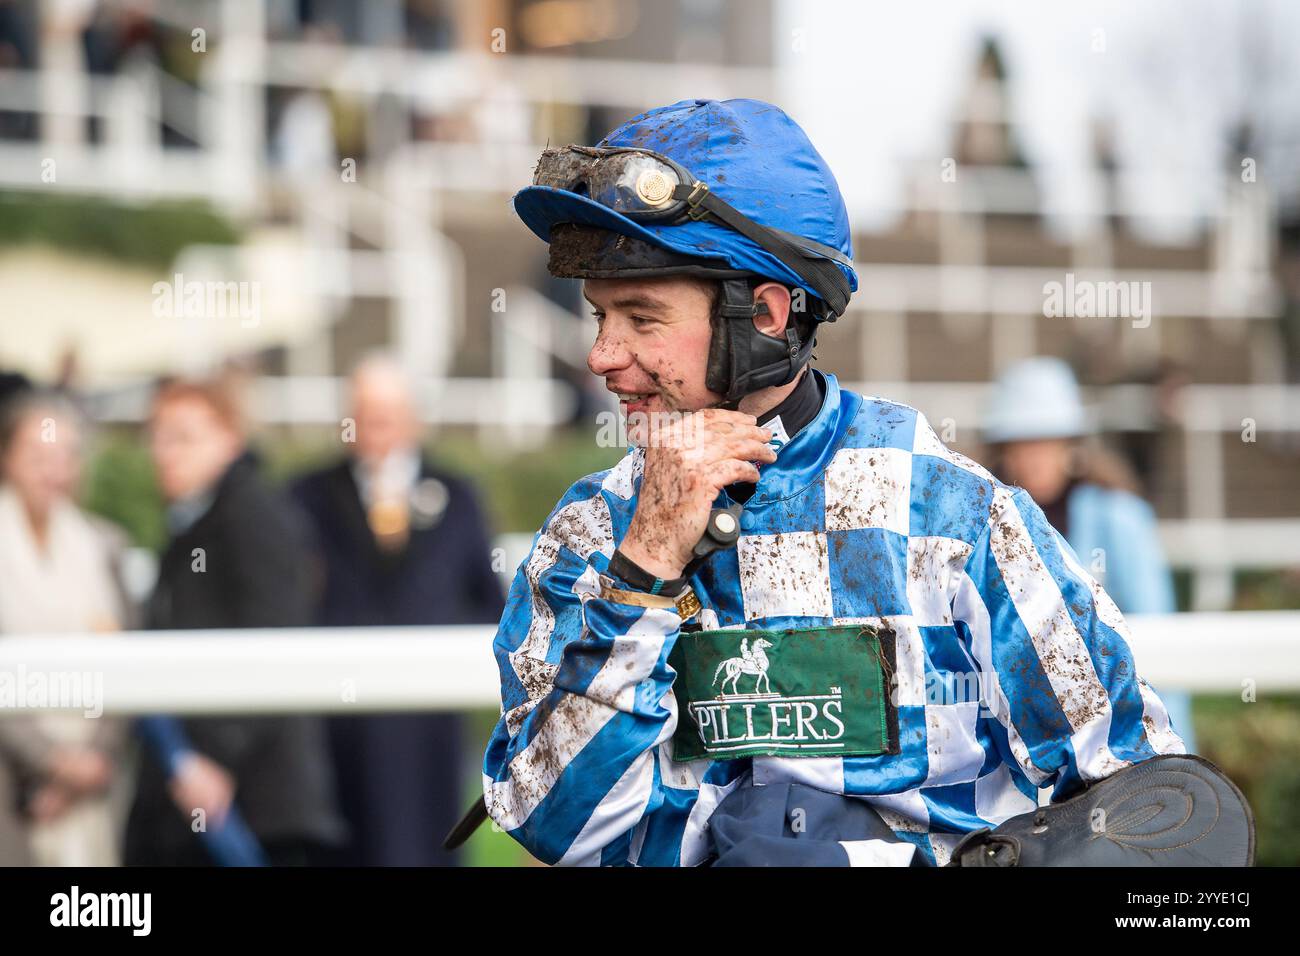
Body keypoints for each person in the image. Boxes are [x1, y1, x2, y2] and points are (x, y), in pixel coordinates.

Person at [479, 98, 1225, 868]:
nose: (602, 355)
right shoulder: (593, 533)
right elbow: (552, 827)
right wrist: (643, 572)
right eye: (600, 316)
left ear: (765, 312)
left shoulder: (953, 514)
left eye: (641, 318)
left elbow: (1153, 812)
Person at [291, 355, 504, 866]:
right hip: (338, 721)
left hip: (427, 722)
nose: (375, 429)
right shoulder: (306, 496)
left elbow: (487, 600)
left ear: (414, 420)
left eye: (387, 415)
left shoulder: (458, 495)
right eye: (363, 414)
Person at [123, 379, 346, 866]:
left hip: (251, 808)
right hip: (212, 802)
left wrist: (215, 759)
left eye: (182, 436)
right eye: (156, 436)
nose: (163, 452)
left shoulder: (251, 514)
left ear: (230, 439)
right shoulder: (196, 521)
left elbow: (279, 642)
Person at [980, 357, 1197, 752]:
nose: (1034, 457)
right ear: (1002, 450)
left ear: (1071, 445)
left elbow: (1158, 636)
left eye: (1046, 442)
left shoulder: (1121, 519)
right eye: (1022, 443)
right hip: (1024, 741)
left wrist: (1173, 757)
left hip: (1115, 734)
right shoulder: (982, 524)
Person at [0, 389, 129, 866]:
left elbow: (123, 663)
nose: (52, 471)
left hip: (92, 786)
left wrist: (88, 763)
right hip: (13, 786)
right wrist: (50, 765)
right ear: (7, 458)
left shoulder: (103, 546)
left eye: (65, 456)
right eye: (37, 456)